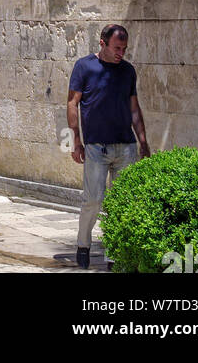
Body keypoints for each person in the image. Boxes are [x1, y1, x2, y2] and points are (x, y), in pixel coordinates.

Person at [67, 23, 150, 269]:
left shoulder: (128, 71)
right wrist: (76, 141)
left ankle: (114, 254)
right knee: (93, 200)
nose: (121, 53)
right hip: (96, 147)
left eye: (124, 48)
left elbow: (134, 108)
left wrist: (143, 141)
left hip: (126, 147)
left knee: (122, 201)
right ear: (102, 43)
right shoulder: (84, 67)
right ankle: (83, 245)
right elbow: (72, 103)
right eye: (117, 47)